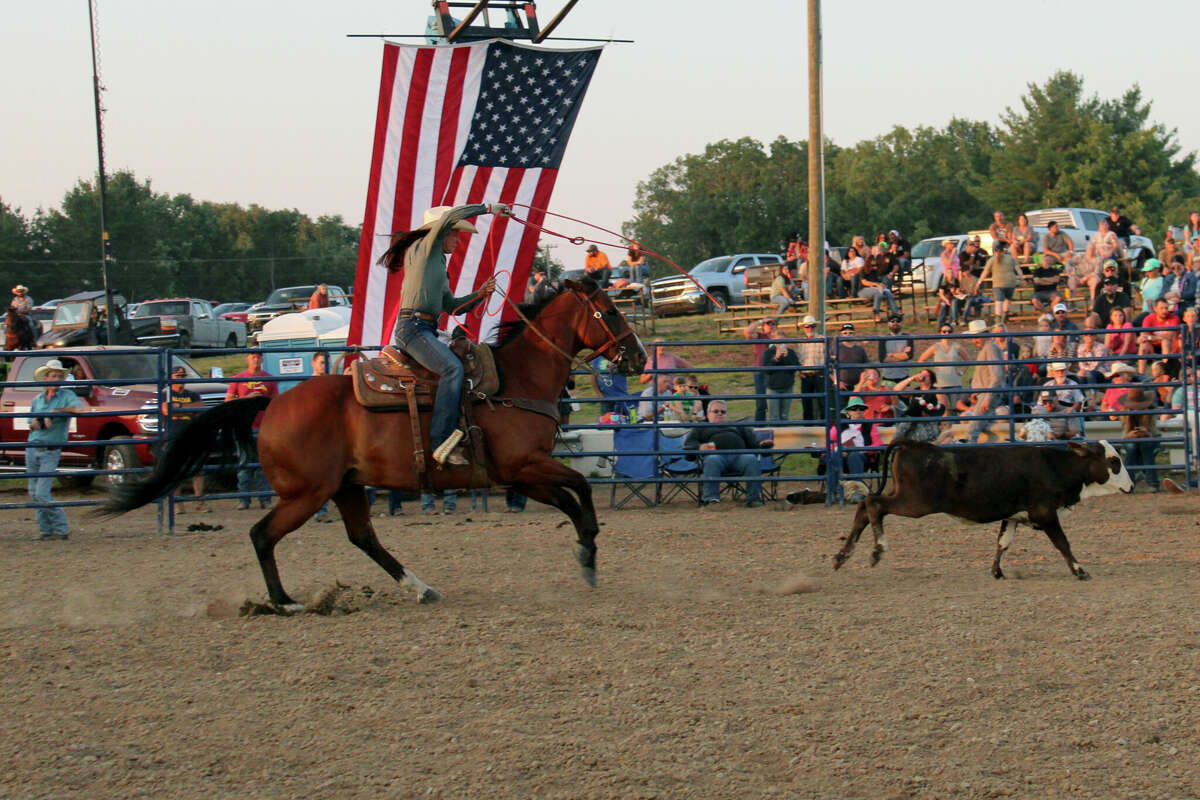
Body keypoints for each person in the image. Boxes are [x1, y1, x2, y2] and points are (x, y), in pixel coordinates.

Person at [384, 203, 505, 466]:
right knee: (453, 369)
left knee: (465, 362)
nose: (458, 241)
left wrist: (481, 294)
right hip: (413, 329)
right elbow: (451, 215)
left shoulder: (437, 263)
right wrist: (488, 208)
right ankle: (441, 441)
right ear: (441, 232)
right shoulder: (424, 248)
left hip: (423, 328)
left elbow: (452, 307)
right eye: (454, 234)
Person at [25, 359, 88, 541]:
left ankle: (60, 528)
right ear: (46, 378)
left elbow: (78, 409)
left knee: (41, 493)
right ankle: (46, 530)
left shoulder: (66, 395)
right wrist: (35, 424)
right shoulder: (37, 399)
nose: (56, 378)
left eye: (59, 375)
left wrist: (57, 412)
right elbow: (30, 422)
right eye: (53, 375)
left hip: (50, 449)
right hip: (34, 445)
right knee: (34, 492)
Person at [682, 399, 772, 509]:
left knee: (751, 459)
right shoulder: (701, 428)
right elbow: (688, 445)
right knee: (712, 459)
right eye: (716, 411)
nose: (720, 414)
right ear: (708, 414)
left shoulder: (738, 426)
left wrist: (762, 445)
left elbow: (754, 444)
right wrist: (700, 447)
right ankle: (712, 500)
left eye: (723, 412)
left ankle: (753, 499)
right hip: (716, 458)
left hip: (740, 457)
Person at [225, 351, 279, 509]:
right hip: (244, 427)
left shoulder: (269, 379)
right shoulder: (237, 379)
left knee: (264, 464)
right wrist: (247, 398)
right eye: (252, 357)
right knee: (244, 463)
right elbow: (228, 400)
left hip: (263, 426)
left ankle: (265, 499)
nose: (255, 360)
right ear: (247, 359)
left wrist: (261, 400)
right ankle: (244, 499)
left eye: (258, 357)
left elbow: (275, 401)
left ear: (262, 359)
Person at [163, 366, 209, 514]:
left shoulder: (193, 394)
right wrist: (188, 409)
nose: (181, 379)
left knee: (197, 470)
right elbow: (167, 410)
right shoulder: (166, 394)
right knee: (177, 471)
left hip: (191, 434)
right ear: (171, 378)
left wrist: (180, 407)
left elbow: (201, 408)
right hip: (174, 435)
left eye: (183, 376)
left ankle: (199, 501)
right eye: (178, 376)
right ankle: (177, 503)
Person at [965, 320, 1007, 442]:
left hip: (988, 393)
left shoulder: (990, 348)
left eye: (976, 337)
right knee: (987, 425)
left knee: (972, 430)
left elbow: (997, 374)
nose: (974, 341)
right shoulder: (988, 347)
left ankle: (967, 454)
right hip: (985, 393)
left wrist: (987, 397)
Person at [1116, 386, 1160, 491]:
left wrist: (1146, 433)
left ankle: (1128, 483)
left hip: (1149, 438)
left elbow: (1154, 431)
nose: (1135, 407)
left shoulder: (1151, 411)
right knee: (1133, 446)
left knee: (1144, 445)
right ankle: (1152, 482)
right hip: (1131, 439)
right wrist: (1130, 435)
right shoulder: (1125, 413)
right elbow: (1124, 434)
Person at [918, 323, 969, 412]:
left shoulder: (957, 346)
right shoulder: (935, 347)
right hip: (939, 384)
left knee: (956, 408)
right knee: (942, 409)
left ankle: (956, 425)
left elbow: (968, 360)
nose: (946, 333)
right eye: (944, 331)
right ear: (940, 333)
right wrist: (931, 372)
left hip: (955, 383)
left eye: (949, 331)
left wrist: (962, 371)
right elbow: (921, 360)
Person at [891, 369, 945, 442]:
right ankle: (894, 445)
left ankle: (895, 445)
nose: (923, 376)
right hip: (912, 422)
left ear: (931, 378)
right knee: (905, 424)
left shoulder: (937, 391)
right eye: (921, 374)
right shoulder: (914, 390)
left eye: (926, 375)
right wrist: (912, 378)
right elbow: (896, 390)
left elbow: (943, 411)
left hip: (928, 423)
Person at [977, 239, 1021, 323]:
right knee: (1007, 301)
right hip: (1011, 282)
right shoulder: (1010, 258)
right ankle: (1004, 319)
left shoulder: (992, 260)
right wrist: (1022, 278)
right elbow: (1018, 269)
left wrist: (979, 282)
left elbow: (985, 272)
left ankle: (998, 321)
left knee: (998, 303)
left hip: (998, 283)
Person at [742, 319, 777, 421]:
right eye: (768, 323)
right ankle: (759, 428)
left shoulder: (779, 338)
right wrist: (761, 321)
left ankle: (776, 428)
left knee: (774, 403)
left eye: (773, 323)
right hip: (760, 372)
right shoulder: (759, 336)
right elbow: (747, 332)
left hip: (775, 372)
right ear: (763, 326)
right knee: (761, 403)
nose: (771, 325)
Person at [761, 328, 799, 421]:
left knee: (785, 415)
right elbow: (767, 370)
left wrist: (786, 357)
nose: (780, 343)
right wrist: (776, 358)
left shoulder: (791, 352)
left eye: (782, 340)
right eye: (778, 340)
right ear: (773, 341)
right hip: (773, 388)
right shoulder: (768, 352)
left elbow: (794, 369)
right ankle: (774, 435)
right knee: (773, 416)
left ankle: (784, 434)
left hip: (787, 387)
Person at [1035, 221, 1072, 312]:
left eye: (1057, 226)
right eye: (1055, 227)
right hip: (1052, 254)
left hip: (1063, 253)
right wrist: (1056, 255)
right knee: (1046, 261)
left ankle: (1068, 277)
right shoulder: (1046, 237)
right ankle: (1047, 279)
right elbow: (1046, 250)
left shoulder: (1062, 233)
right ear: (1050, 228)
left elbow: (1069, 242)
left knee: (1069, 261)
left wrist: (1070, 251)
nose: (1057, 228)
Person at [795, 316, 825, 420]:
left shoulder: (822, 339)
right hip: (806, 375)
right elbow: (799, 358)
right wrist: (799, 370)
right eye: (807, 327)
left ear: (815, 327)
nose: (810, 329)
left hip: (819, 374)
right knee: (806, 403)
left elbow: (827, 357)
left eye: (812, 326)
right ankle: (808, 426)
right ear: (803, 328)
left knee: (823, 402)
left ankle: (823, 425)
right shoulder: (801, 342)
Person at [856, 253, 901, 322]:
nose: (875, 267)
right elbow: (864, 282)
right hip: (863, 291)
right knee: (878, 290)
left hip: (876, 290)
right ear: (868, 264)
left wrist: (881, 285)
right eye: (873, 265)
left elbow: (878, 282)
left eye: (876, 265)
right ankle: (876, 313)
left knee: (887, 291)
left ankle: (895, 313)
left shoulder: (875, 272)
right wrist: (876, 285)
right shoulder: (863, 270)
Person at [877, 314, 914, 384]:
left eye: (898, 321)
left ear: (901, 323)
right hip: (887, 377)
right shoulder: (883, 339)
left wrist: (891, 355)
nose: (895, 323)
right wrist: (902, 356)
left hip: (904, 376)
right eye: (892, 321)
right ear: (888, 324)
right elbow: (883, 359)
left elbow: (908, 356)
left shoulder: (908, 337)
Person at [836, 322, 868, 392]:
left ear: (854, 334)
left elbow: (867, 366)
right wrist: (838, 382)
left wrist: (863, 382)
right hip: (842, 386)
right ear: (841, 334)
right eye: (845, 333)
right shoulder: (836, 349)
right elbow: (831, 368)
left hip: (859, 385)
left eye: (850, 333)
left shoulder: (860, 349)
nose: (848, 334)